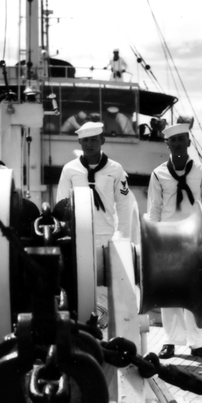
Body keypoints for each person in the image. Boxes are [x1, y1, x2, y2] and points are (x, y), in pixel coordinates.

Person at [147, 122, 202, 360]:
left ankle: (198, 343)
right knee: (169, 291)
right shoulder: (158, 174)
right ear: (167, 144)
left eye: (181, 139)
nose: (178, 144)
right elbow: (154, 209)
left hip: (195, 238)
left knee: (197, 291)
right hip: (167, 238)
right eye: (173, 140)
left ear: (188, 142)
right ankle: (171, 340)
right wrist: (153, 240)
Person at [57, 121, 134, 319]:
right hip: (78, 236)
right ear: (79, 142)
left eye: (93, 140)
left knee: (104, 287)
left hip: (105, 236)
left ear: (102, 140)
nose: (89, 144)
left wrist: (123, 237)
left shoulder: (116, 169)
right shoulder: (70, 169)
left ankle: (104, 331)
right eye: (85, 141)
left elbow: (124, 205)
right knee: (79, 284)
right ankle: (82, 327)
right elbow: (61, 205)